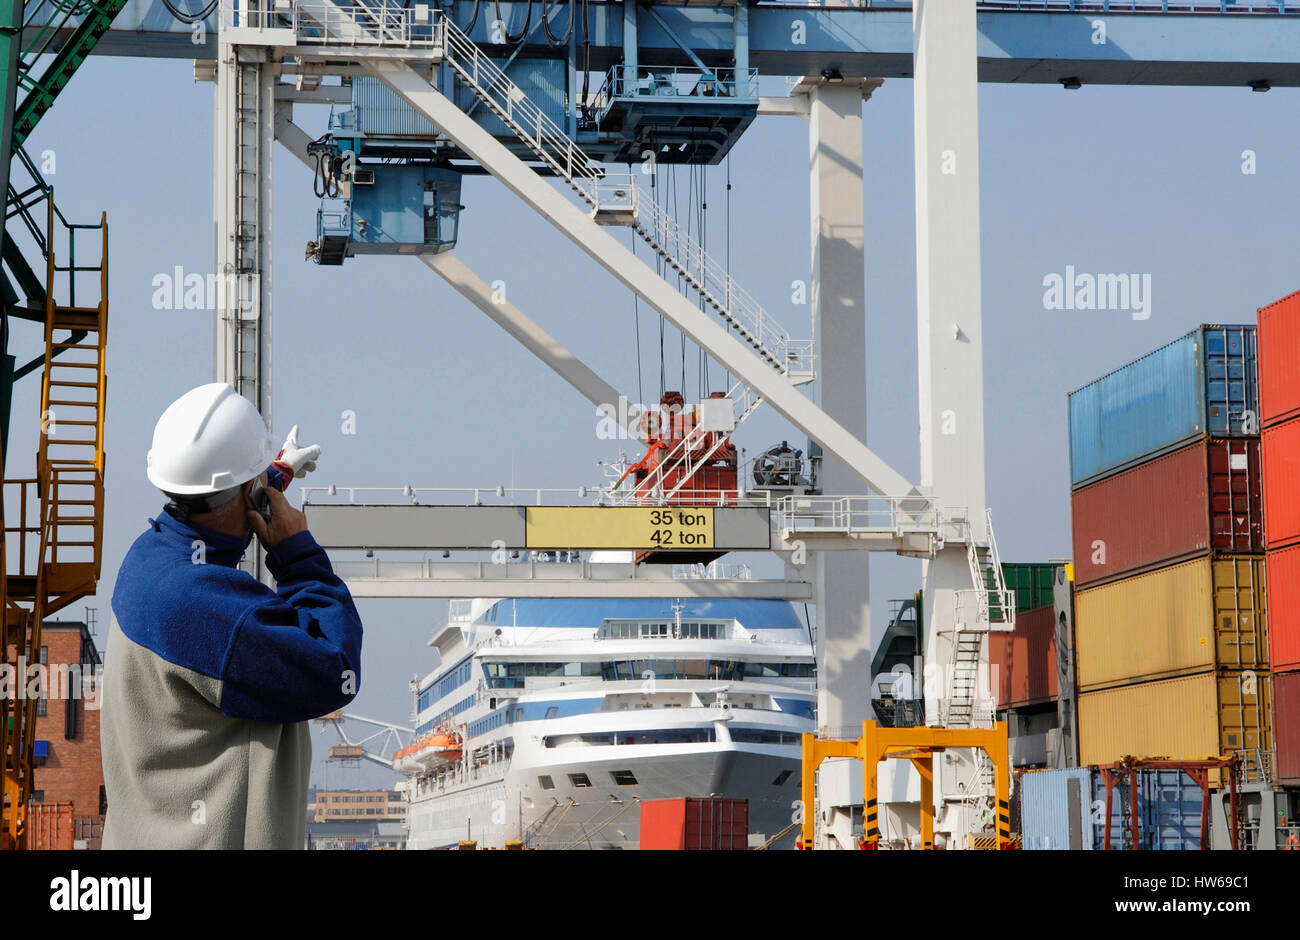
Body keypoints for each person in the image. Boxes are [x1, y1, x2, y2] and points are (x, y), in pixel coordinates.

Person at [100, 383, 364, 849]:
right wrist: (297, 555)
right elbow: (335, 666)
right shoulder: (213, 611)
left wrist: (269, 478)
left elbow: (214, 509)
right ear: (246, 495)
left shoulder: (148, 560)